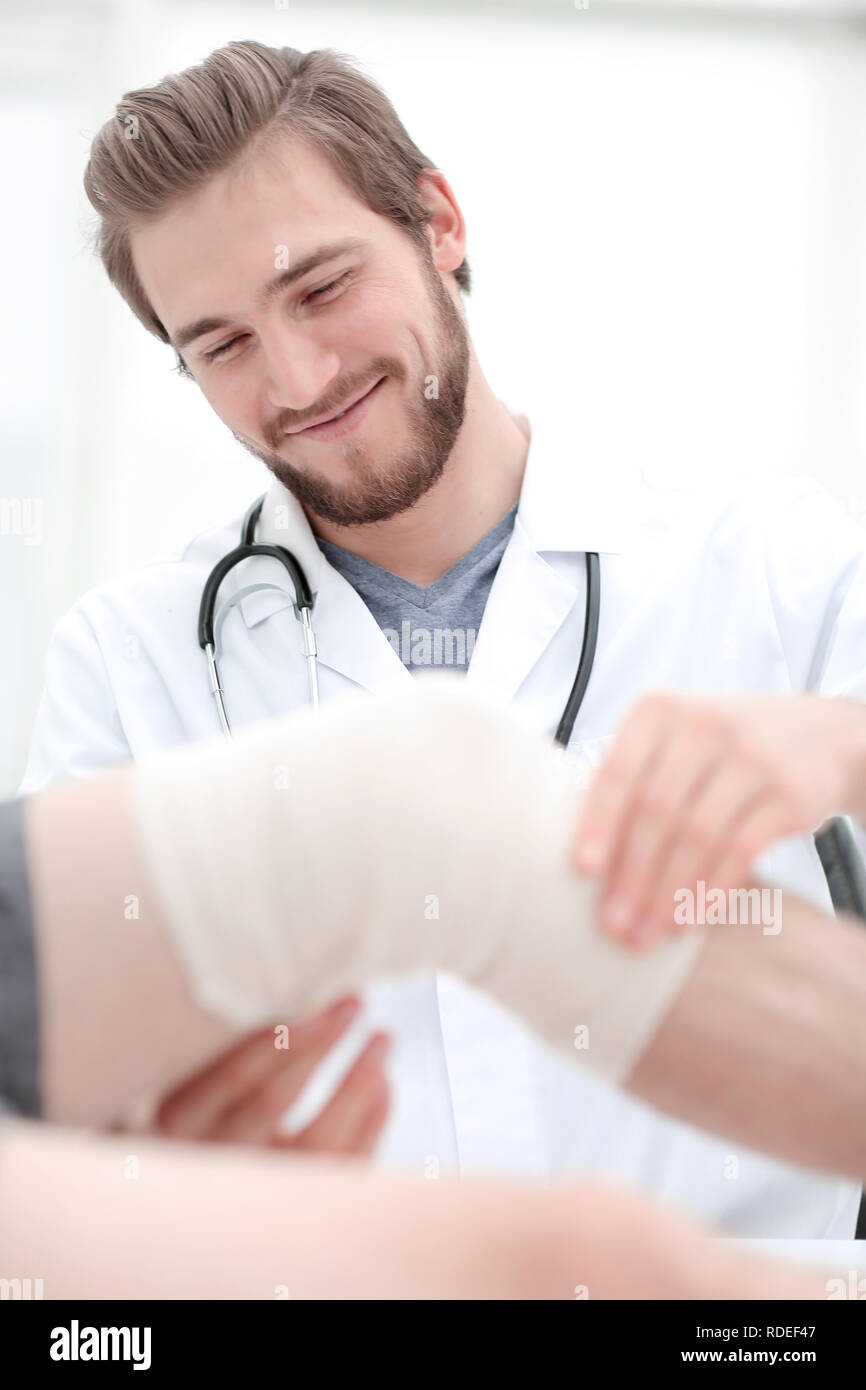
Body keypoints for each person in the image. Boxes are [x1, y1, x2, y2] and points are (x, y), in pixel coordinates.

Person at [21, 39, 866, 1235]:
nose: (299, 376)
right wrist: (144, 1157)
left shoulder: (766, 564)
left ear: (437, 221)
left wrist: (835, 744)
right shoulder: (130, 660)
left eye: (319, 288)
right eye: (221, 345)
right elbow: (65, 1102)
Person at [3, 681, 865, 1298]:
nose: (299, 410)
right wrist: (137, 1182)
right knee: (591, 1269)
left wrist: (848, 737)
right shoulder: (118, 646)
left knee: (441, 793)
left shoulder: (779, 551)